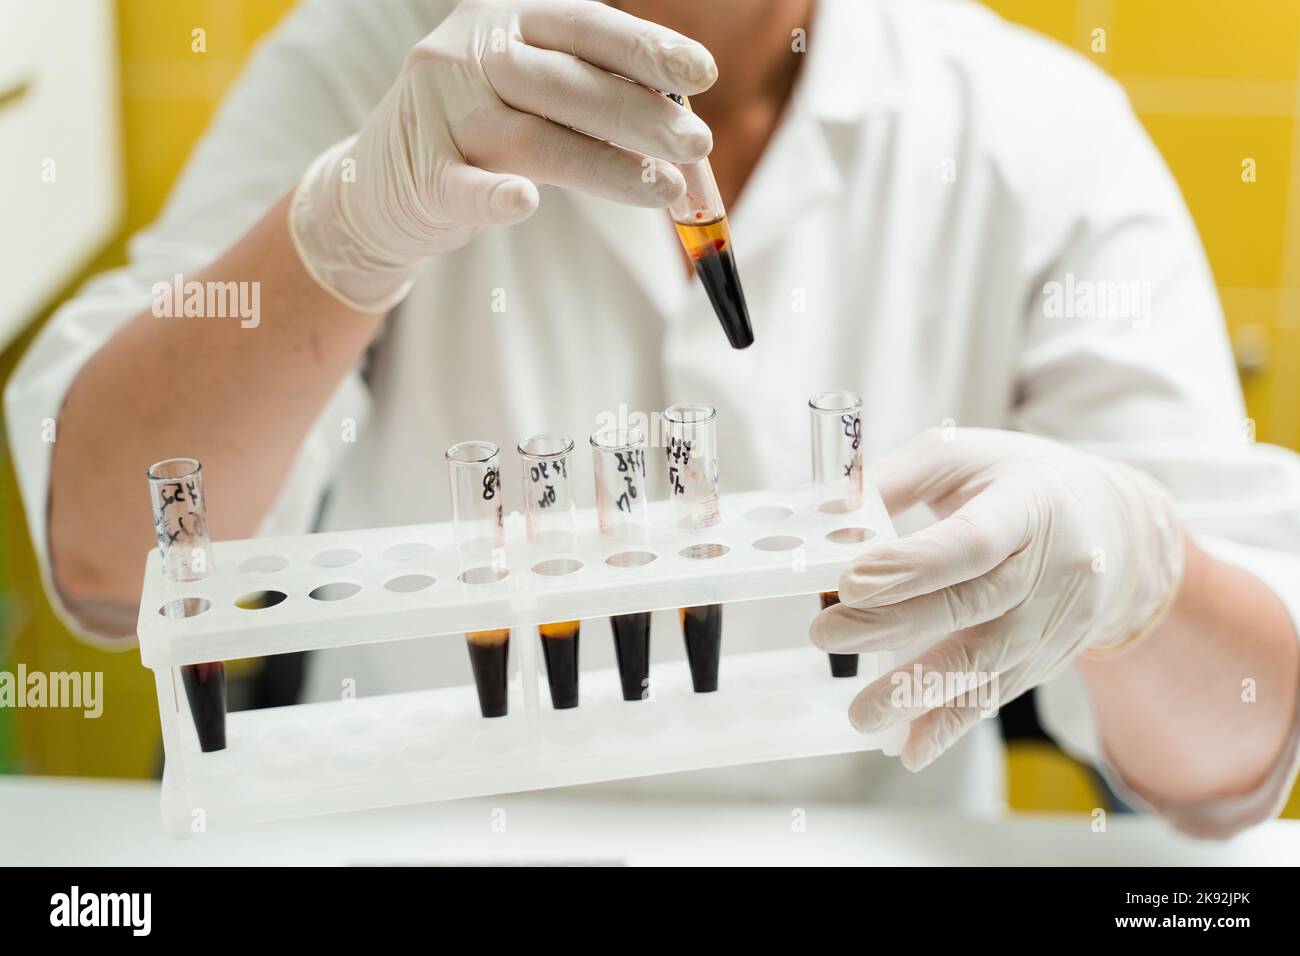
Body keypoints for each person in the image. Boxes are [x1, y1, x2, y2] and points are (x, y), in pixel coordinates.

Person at [7, 0, 1300, 835]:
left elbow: (1237, 747)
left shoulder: (1035, 133)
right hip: (415, 836)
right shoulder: (371, 58)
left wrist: (1140, 573)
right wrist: (344, 229)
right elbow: (111, 561)